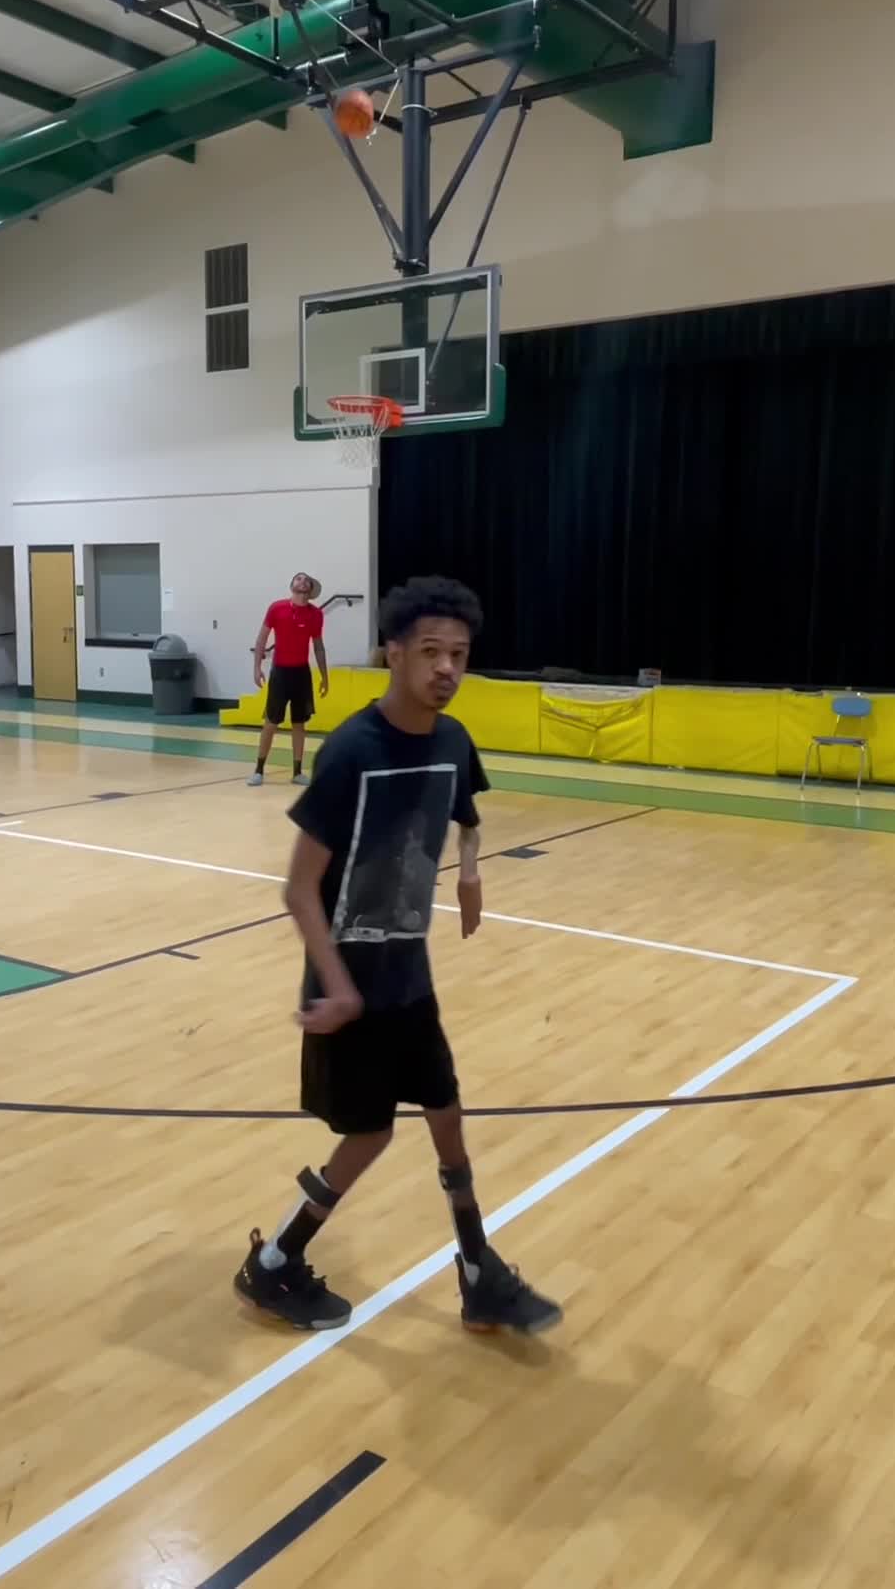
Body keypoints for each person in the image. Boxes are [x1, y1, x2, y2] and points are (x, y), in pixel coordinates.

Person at [235, 574, 562, 1337]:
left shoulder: (451, 740)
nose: (447, 668)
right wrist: (339, 987)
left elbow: (467, 808)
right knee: (371, 1133)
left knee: (446, 1116)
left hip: (409, 973)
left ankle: (478, 1273)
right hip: (349, 980)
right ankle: (274, 1264)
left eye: (459, 654)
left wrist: (474, 867)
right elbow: (298, 888)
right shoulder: (352, 751)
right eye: (430, 652)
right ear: (393, 653)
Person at [248, 573, 328, 786]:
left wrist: (324, 676)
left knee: (299, 723)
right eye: (298, 578)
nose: (302, 581)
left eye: (306, 580)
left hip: (301, 673)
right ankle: (258, 769)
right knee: (271, 722)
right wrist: (257, 668)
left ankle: (297, 771)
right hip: (280, 673)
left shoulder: (316, 614)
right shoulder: (277, 608)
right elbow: (262, 638)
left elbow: (318, 647)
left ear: (310, 589)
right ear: (292, 585)